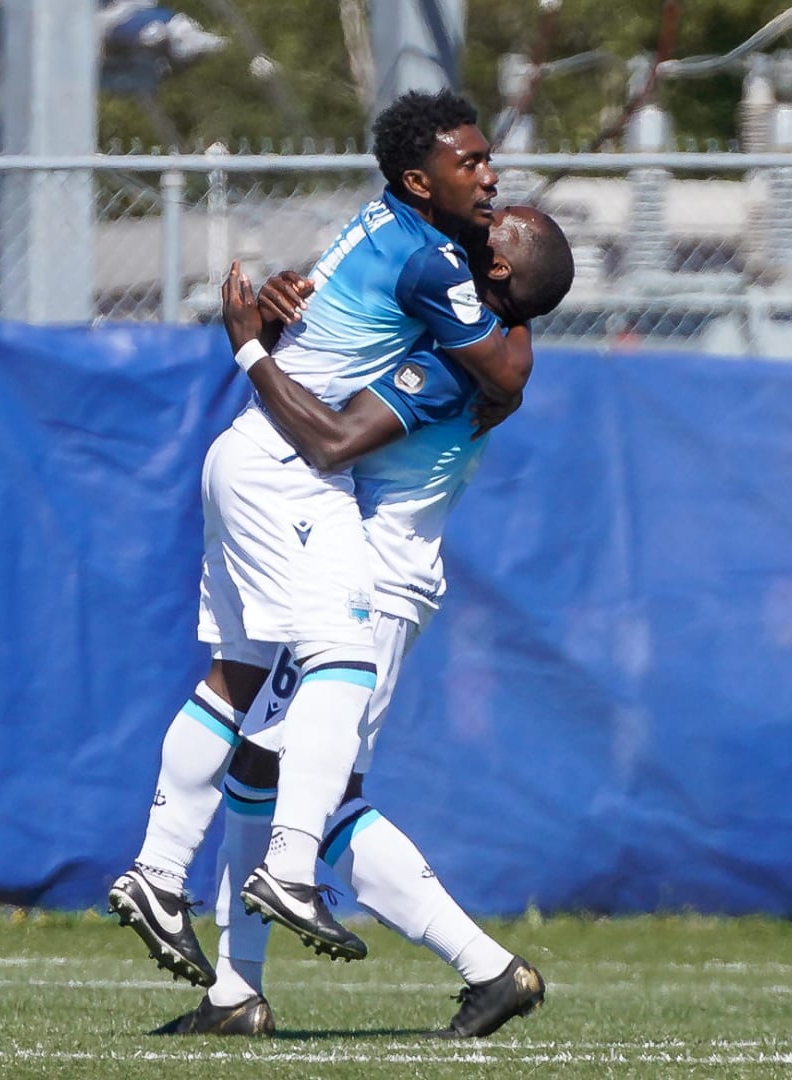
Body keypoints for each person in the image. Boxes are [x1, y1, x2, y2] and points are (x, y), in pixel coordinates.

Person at [108, 88, 532, 967]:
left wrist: (263, 324)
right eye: (471, 163)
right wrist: (253, 341)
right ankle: (296, 872)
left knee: (236, 684)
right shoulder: (434, 272)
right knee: (339, 666)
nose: (491, 182)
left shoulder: (388, 230)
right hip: (290, 474)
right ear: (419, 180)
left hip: (250, 457)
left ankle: (162, 877)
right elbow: (498, 377)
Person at [145, 206, 577, 1038]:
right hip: (357, 569)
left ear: (496, 276)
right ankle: (235, 993)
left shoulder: (454, 364)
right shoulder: (474, 342)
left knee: (315, 795)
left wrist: (250, 349)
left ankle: (488, 968)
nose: (478, 223)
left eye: (494, 231)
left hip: (370, 583)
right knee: (263, 774)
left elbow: (334, 443)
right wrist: (290, 308)